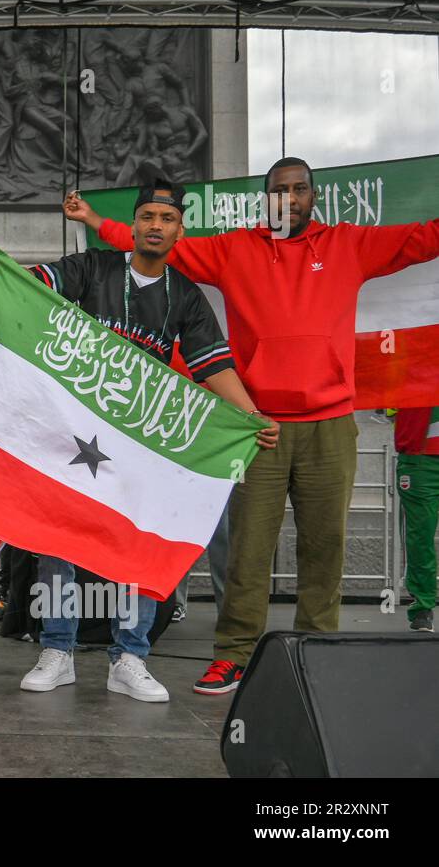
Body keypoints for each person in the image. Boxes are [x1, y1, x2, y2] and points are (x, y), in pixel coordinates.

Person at [78, 157, 439, 693]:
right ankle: (234, 655)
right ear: (264, 198)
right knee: (249, 547)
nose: (288, 199)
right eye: (278, 191)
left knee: (325, 546)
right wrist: (93, 219)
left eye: (298, 190)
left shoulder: (348, 245)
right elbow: (160, 243)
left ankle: (318, 651)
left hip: (331, 425)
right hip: (257, 427)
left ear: (313, 197)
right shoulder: (233, 251)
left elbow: (421, 240)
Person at [0, 179, 278, 702]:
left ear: (180, 229)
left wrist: (251, 414)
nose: (155, 226)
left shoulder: (185, 295)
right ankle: (57, 650)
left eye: (166, 219)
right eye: (147, 217)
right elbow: (35, 284)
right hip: (77, 432)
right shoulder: (93, 266)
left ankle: (130, 659)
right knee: (58, 541)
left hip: (142, 443)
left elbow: (213, 364)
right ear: (133, 225)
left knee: (139, 543)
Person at [393, 407, 439, 632]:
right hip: (420, 458)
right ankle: (422, 608)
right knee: (421, 537)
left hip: (419, 457)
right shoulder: (406, 369)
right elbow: (389, 404)